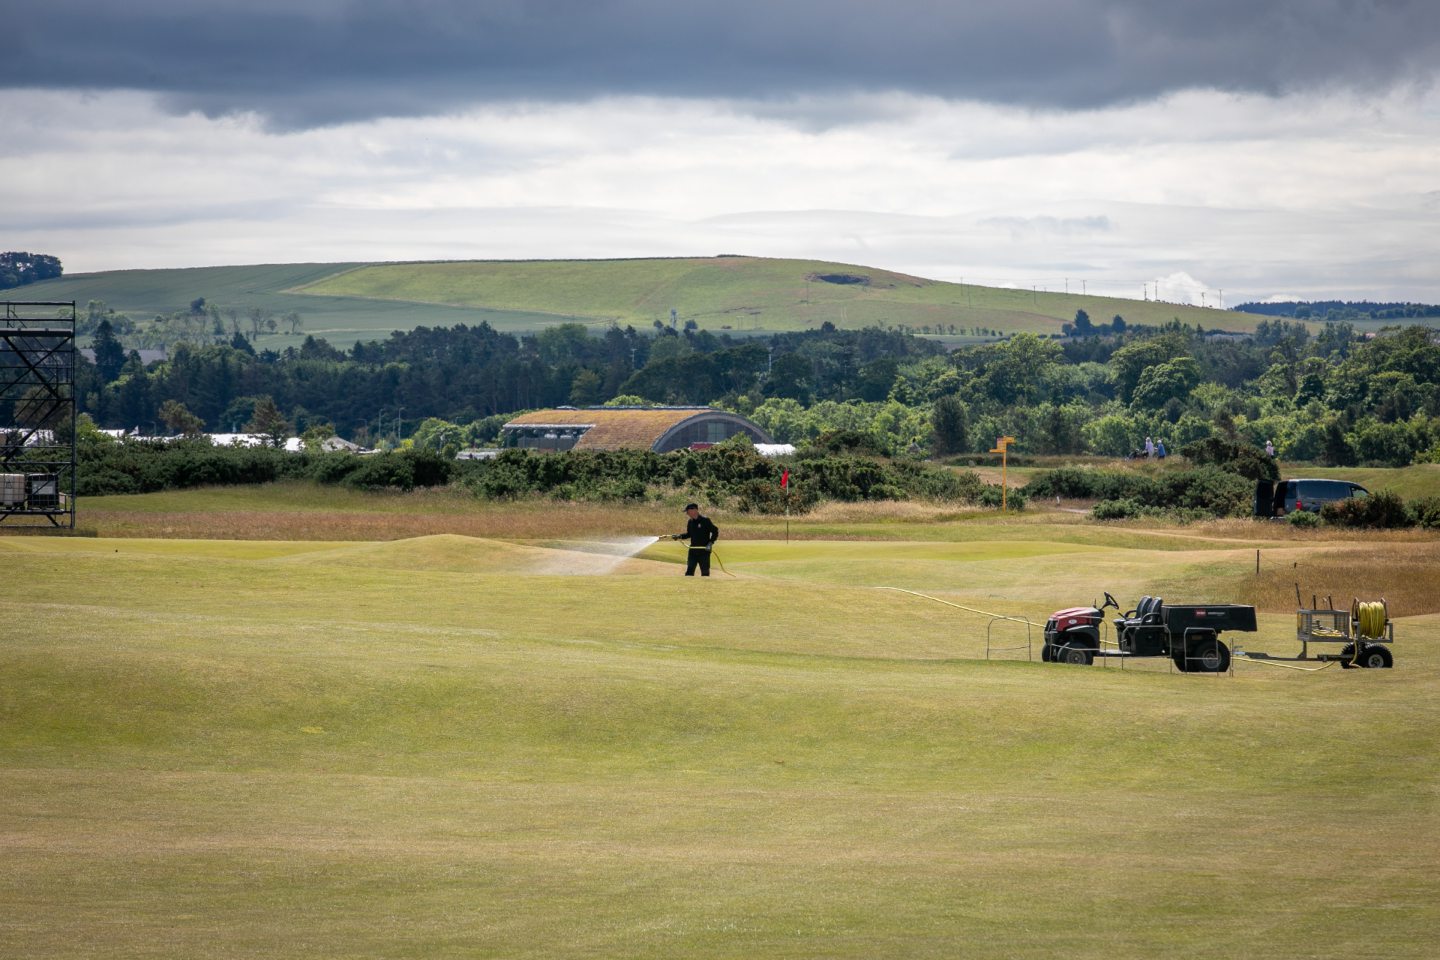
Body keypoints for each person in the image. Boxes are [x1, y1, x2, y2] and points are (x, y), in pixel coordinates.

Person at [671, 502, 719, 577]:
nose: (687, 513)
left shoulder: (706, 521)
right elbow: (688, 534)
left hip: (704, 551)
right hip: (693, 550)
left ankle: (705, 588)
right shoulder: (690, 522)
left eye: (688, 511)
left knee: (705, 572)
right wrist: (679, 536)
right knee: (689, 571)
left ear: (694, 510)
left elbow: (715, 531)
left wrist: (710, 543)